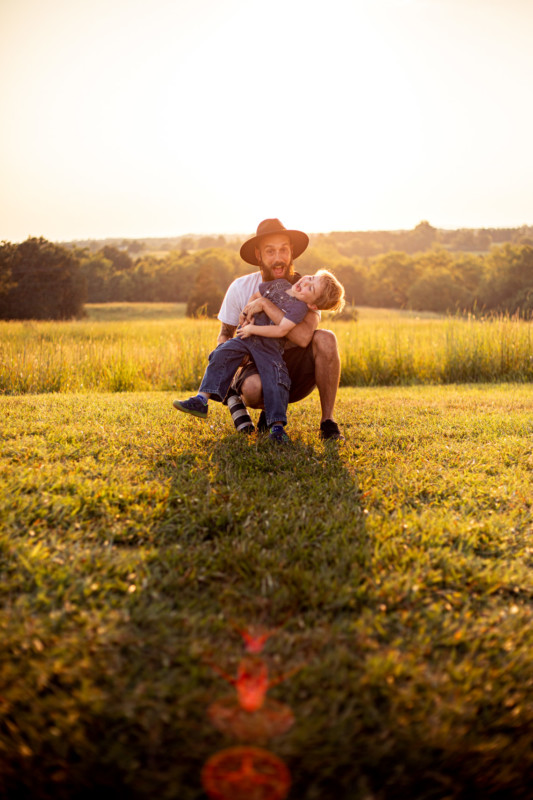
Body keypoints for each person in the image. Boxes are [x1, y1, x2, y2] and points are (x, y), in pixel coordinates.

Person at [173, 270, 345, 443]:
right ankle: (202, 399)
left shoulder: (300, 307)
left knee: (275, 378)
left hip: (270, 349)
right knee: (221, 351)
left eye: (311, 288)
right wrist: (246, 313)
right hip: (247, 342)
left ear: (313, 305)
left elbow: (289, 332)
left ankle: (277, 426)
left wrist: (258, 317)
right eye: (311, 278)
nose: (306, 282)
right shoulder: (276, 285)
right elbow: (256, 295)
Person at [217, 219, 345, 440]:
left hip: (295, 371)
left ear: (291, 252)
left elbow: (304, 338)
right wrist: (229, 360)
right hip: (256, 367)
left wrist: (266, 305)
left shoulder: (306, 289)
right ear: (258, 255)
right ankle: (265, 411)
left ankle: (328, 422)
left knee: (326, 338)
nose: (278, 258)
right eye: (270, 251)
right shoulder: (240, 288)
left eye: (284, 250)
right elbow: (225, 333)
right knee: (253, 388)